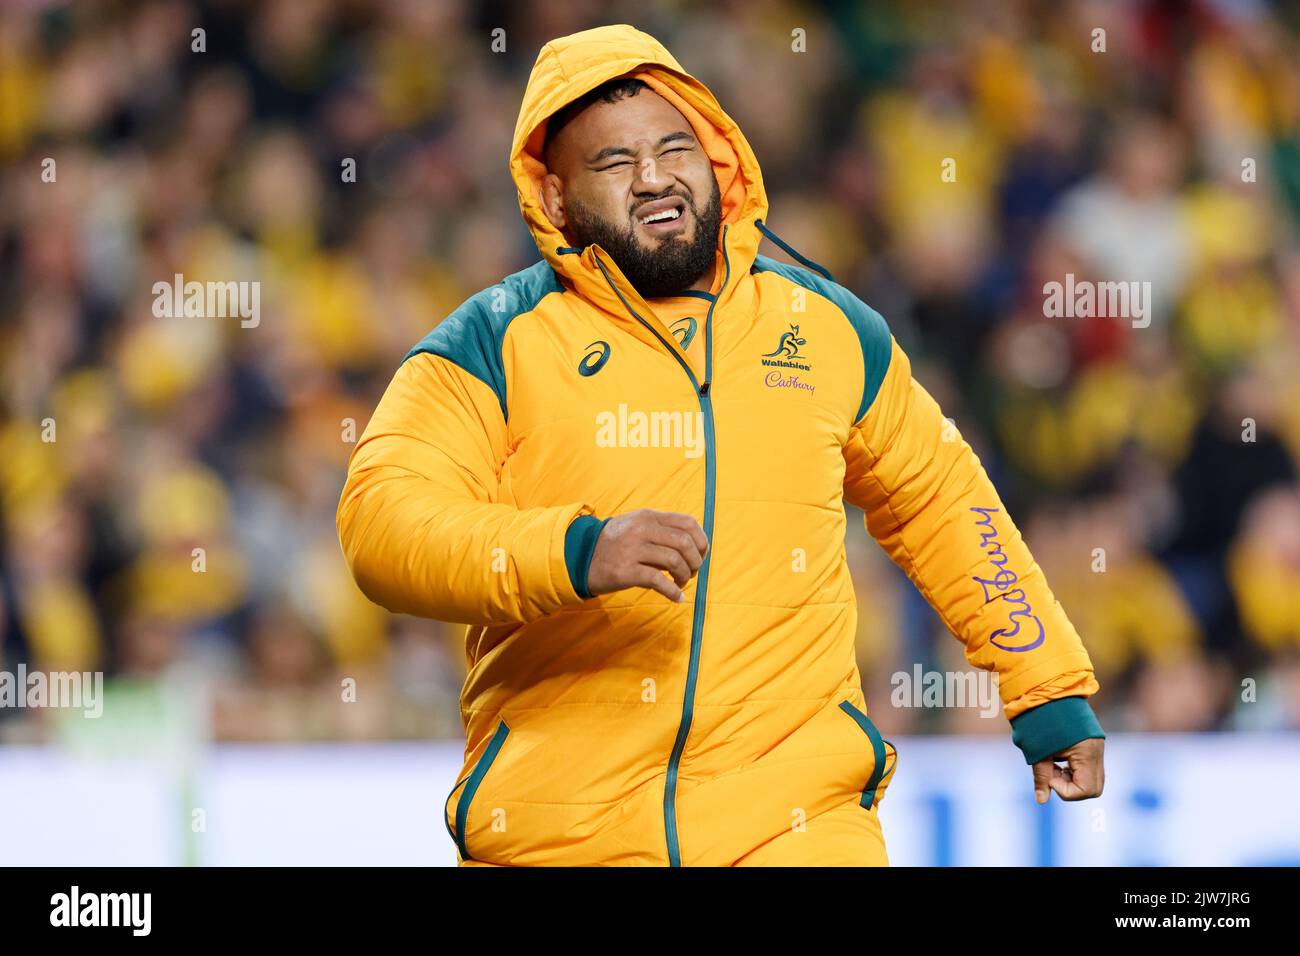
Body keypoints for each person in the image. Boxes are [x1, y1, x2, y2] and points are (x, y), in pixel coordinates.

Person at [336, 24, 1105, 867]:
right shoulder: (491, 342)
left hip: (800, 827)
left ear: (719, 159)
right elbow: (382, 528)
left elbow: (943, 503)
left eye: (676, 148)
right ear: (553, 200)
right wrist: (574, 549)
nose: (657, 177)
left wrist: (1050, 688)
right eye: (615, 163)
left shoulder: (827, 328)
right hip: (558, 837)